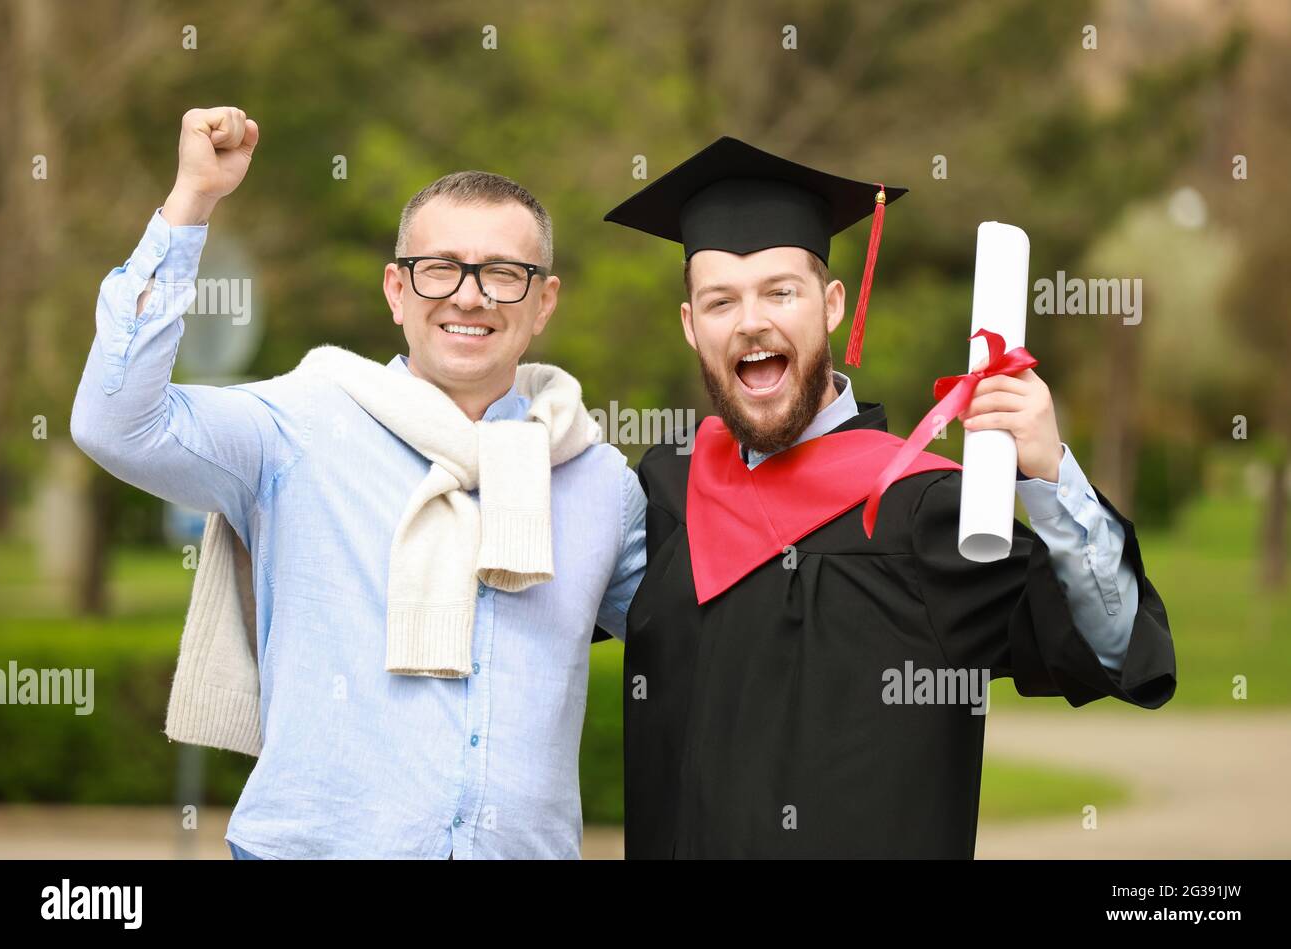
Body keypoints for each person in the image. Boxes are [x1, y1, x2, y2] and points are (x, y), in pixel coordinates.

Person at [70, 106, 646, 859]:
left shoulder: (597, 479)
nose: (469, 296)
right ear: (396, 290)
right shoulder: (298, 425)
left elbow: (708, 644)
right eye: (440, 268)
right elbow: (116, 423)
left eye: (504, 273)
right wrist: (192, 202)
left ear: (544, 301)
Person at [604, 136, 1176, 858]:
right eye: (721, 300)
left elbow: (1116, 647)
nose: (751, 321)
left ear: (833, 304)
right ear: (692, 325)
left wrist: (1049, 474)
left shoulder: (928, 513)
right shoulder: (667, 498)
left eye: (781, 291)